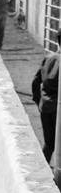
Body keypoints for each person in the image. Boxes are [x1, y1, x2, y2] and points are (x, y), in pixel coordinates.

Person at [31, 31, 59, 164]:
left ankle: (44, 170)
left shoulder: (48, 58)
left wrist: (38, 101)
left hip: (46, 106)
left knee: (49, 144)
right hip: (57, 109)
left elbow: (35, 82)